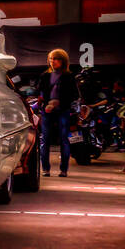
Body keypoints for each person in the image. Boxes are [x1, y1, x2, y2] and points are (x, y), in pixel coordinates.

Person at [36, 48, 79, 177]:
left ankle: (63, 170)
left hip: (62, 110)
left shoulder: (69, 76)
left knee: (64, 139)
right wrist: (44, 103)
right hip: (47, 111)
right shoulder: (45, 75)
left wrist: (58, 102)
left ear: (63, 61)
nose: (52, 61)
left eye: (55, 59)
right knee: (45, 139)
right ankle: (45, 169)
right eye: (51, 59)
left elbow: (74, 95)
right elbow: (40, 92)